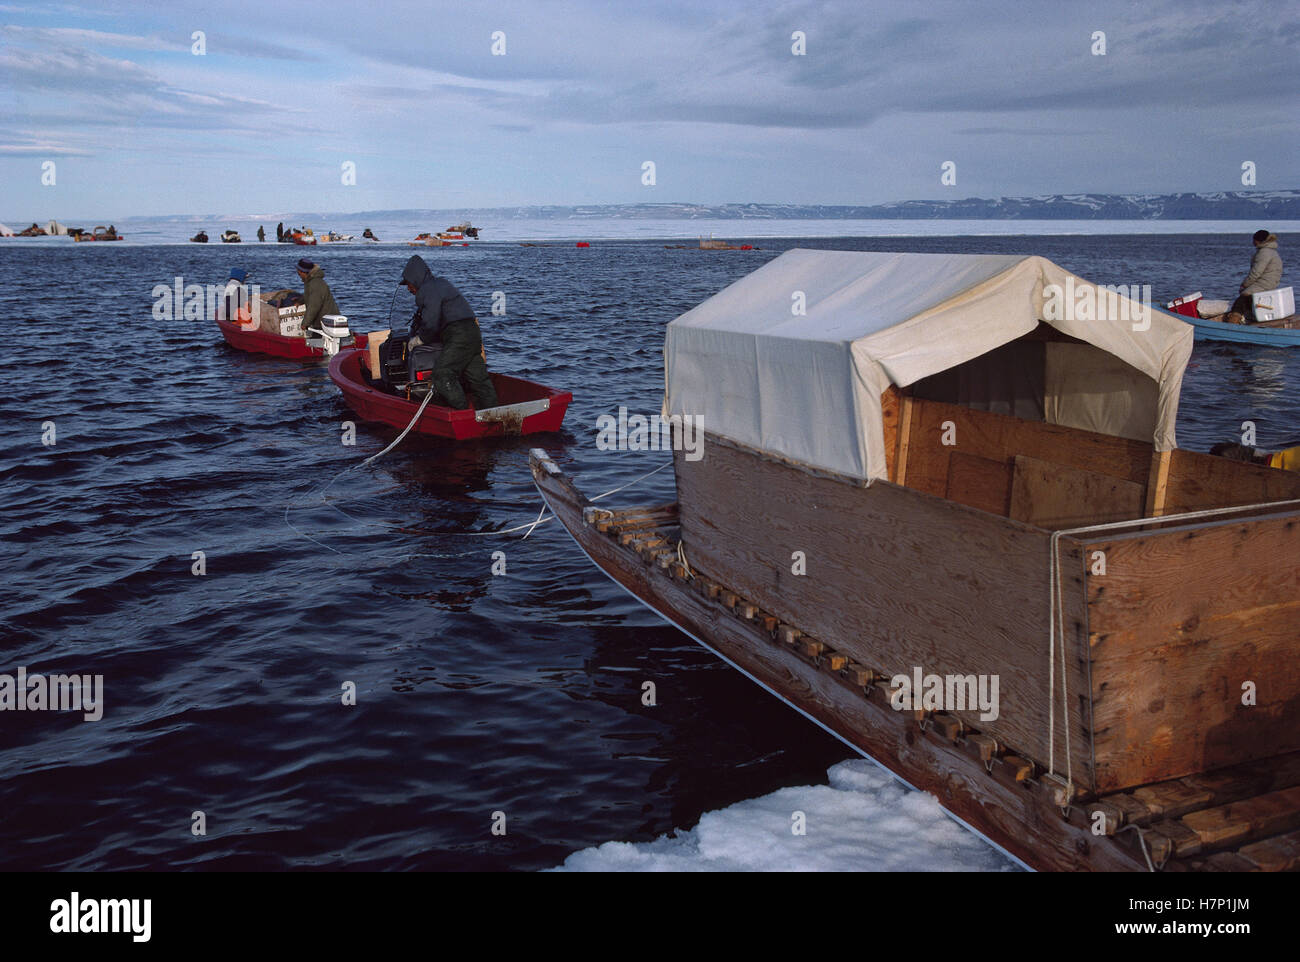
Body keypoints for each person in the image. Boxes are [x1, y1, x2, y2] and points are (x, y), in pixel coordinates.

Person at [399, 255, 498, 409]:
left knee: (442, 374)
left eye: (408, 284)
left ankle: (461, 412)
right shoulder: (441, 283)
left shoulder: (426, 290)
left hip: (458, 334)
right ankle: (493, 412)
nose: (408, 288)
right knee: (478, 378)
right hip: (473, 332)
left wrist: (420, 339)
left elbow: (431, 322)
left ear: (415, 280)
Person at [1228, 230, 1282, 323]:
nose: (1253, 242)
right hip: (1270, 282)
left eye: (1254, 240)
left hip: (1264, 283)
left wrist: (1244, 285)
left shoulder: (1264, 253)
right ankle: (1248, 318)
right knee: (1248, 298)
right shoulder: (1271, 251)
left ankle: (1233, 322)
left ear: (1258, 240)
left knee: (1243, 297)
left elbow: (1256, 273)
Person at [295, 258, 340, 338]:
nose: (299, 275)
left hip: (326, 322)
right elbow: (309, 296)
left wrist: (305, 323)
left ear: (303, 272)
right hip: (323, 321)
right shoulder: (311, 282)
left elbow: (314, 306)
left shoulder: (315, 284)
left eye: (299, 273)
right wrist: (300, 301)